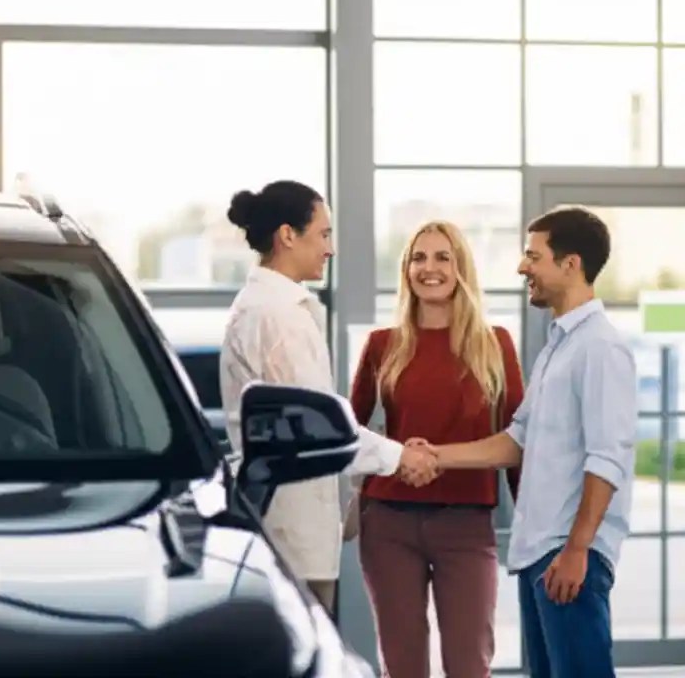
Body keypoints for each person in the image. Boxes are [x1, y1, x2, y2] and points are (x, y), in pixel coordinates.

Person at [409, 206, 636, 678]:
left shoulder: (600, 348)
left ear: (570, 264)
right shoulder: (559, 346)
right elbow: (516, 441)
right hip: (541, 555)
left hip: (570, 555)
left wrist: (577, 550)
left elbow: (608, 459)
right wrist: (432, 454)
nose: (521, 267)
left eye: (533, 256)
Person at [219, 179, 441, 612]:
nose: (330, 249)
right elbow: (316, 427)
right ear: (288, 235)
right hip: (291, 537)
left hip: (296, 529)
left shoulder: (277, 308)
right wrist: (400, 458)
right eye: (323, 234)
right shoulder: (274, 315)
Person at [348, 220, 524, 678]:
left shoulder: (495, 344)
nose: (430, 268)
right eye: (418, 258)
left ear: (461, 267)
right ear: (406, 270)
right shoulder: (382, 346)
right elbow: (350, 433)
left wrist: (535, 526)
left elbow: (519, 440)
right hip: (388, 523)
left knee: (469, 665)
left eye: (443, 257)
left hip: (466, 525)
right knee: (403, 668)